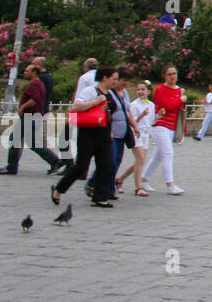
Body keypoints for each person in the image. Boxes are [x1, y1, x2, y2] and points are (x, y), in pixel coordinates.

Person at [53, 66, 119, 209]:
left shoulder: (110, 93)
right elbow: (76, 107)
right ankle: (59, 189)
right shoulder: (91, 91)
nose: (116, 81)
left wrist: (111, 130)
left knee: (106, 166)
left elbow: (108, 113)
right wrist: (95, 101)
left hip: (104, 134)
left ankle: (99, 198)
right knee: (81, 167)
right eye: (114, 78)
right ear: (104, 78)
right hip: (88, 133)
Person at [0, 63, 62, 175]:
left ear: (34, 72)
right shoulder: (39, 84)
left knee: (15, 139)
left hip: (29, 116)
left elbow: (35, 99)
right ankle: (54, 160)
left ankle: (12, 167)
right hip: (33, 116)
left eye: (27, 71)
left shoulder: (35, 84)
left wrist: (22, 107)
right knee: (30, 142)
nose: (24, 73)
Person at [87, 66, 133, 201]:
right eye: (122, 80)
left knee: (117, 161)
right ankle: (94, 183)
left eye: (127, 80)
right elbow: (106, 111)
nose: (125, 83)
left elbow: (127, 111)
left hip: (122, 131)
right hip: (111, 131)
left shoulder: (125, 94)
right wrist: (109, 129)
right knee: (110, 161)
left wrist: (134, 126)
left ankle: (108, 188)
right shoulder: (109, 93)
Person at [144, 64, 187, 195]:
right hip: (160, 125)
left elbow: (180, 111)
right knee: (168, 153)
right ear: (164, 76)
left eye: (174, 73)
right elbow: (167, 106)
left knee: (158, 156)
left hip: (172, 126)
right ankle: (170, 184)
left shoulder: (180, 90)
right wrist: (181, 100)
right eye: (169, 74)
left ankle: (143, 180)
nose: (172, 76)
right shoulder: (160, 89)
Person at [115, 81, 154, 197]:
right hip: (136, 133)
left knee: (140, 161)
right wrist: (141, 115)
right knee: (140, 160)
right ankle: (138, 187)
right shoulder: (133, 105)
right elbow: (132, 121)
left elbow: (152, 121)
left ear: (148, 91)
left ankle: (120, 179)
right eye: (138, 90)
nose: (140, 92)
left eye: (143, 89)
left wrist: (160, 114)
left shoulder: (151, 105)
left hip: (146, 134)